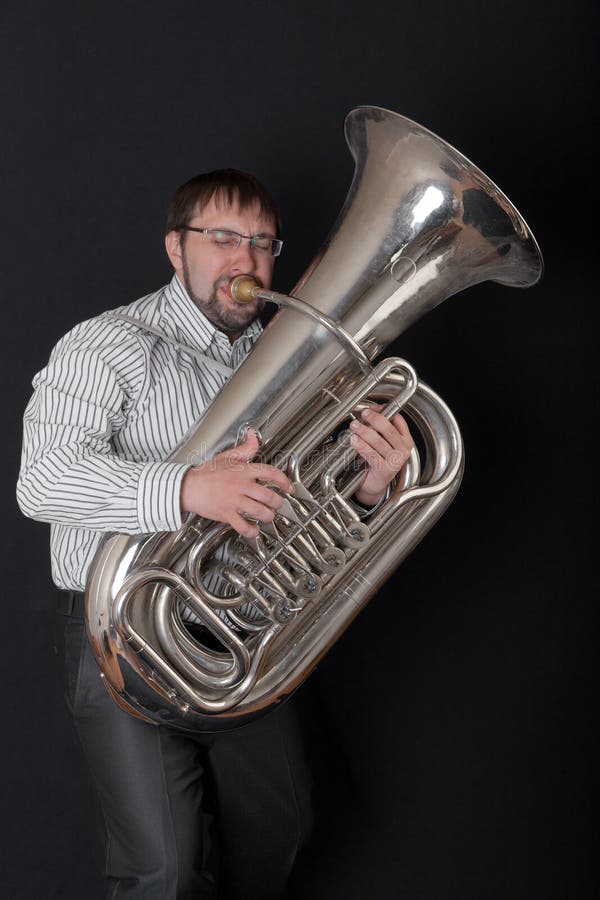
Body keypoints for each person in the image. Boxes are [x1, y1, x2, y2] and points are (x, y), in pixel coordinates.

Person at [17, 169, 414, 899]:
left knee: (283, 823)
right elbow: (42, 482)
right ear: (177, 248)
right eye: (224, 238)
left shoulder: (292, 360)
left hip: (241, 629)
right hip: (118, 630)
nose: (247, 261)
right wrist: (188, 487)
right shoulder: (107, 345)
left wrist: (364, 489)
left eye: (263, 244)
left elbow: (292, 516)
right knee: (164, 867)